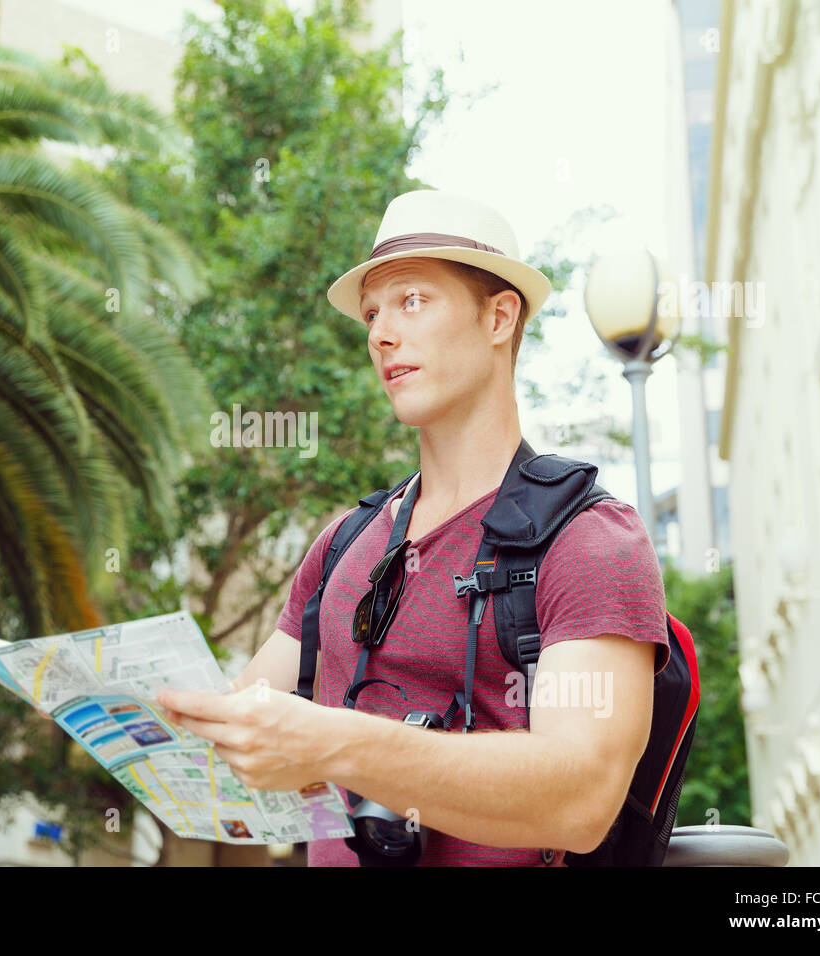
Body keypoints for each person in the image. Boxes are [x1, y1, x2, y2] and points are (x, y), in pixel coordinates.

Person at [158, 189, 670, 866]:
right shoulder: (342, 546)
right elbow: (237, 741)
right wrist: (124, 709)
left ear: (499, 316)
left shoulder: (590, 540)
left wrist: (336, 744)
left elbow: (581, 801)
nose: (379, 333)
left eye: (412, 301)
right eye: (372, 313)